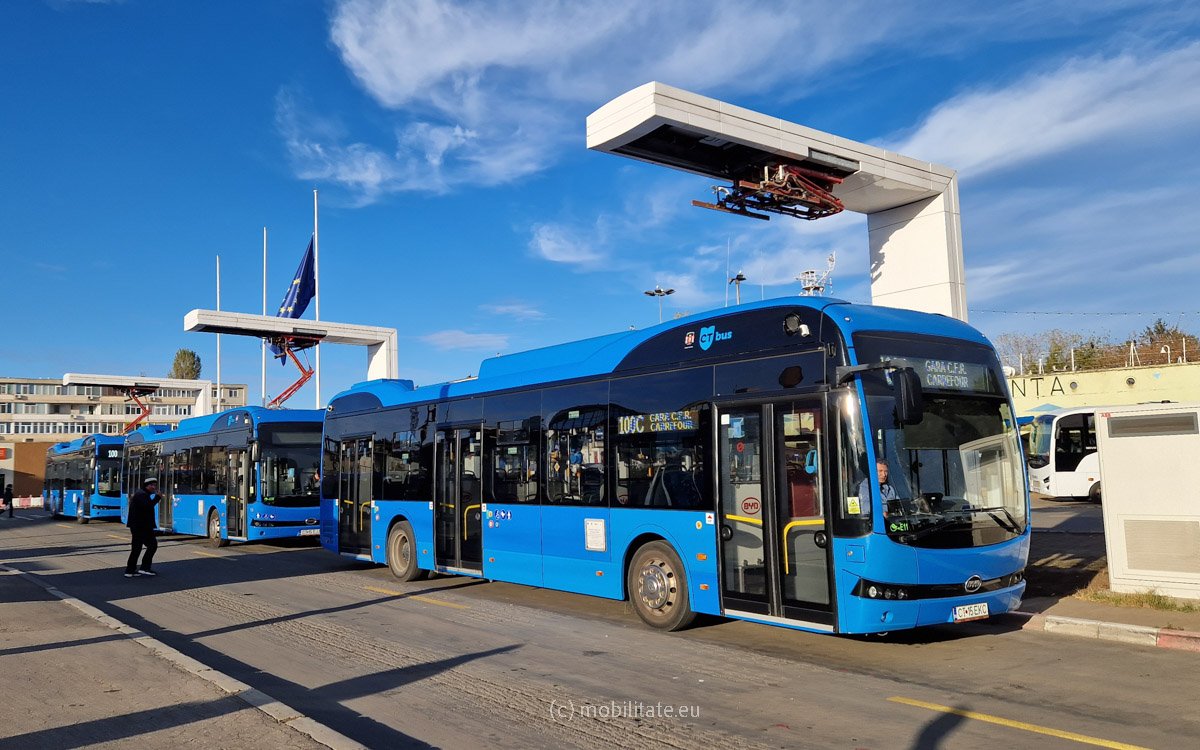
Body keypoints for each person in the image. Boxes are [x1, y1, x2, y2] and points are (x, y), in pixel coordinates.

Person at [125, 477, 161, 578]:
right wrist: (157, 498)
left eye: (155, 485)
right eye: (152, 485)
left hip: (140, 526)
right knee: (151, 545)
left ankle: (131, 570)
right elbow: (148, 507)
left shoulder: (142, 494)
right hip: (141, 527)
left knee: (137, 548)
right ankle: (143, 568)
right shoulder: (141, 495)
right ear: (146, 486)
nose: (154, 487)